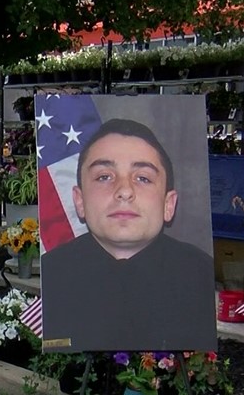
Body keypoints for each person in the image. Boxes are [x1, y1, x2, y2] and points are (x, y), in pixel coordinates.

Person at [42, 117, 215, 353]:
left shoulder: (201, 274)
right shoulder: (51, 273)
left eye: (143, 178)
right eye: (104, 176)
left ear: (168, 204)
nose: (124, 191)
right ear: (79, 201)